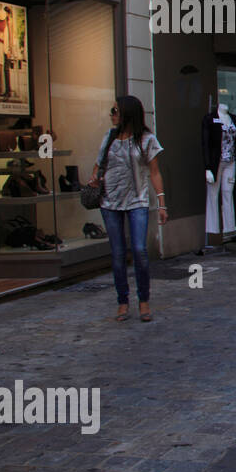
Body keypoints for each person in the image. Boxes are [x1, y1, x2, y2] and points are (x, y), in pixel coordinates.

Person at [89, 96, 167, 322]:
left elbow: (155, 173)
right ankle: (122, 302)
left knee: (140, 251)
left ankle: (144, 300)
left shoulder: (146, 139)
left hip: (137, 201)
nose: (111, 114)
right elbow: (98, 164)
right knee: (117, 254)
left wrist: (162, 203)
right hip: (110, 202)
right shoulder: (109, 137)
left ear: (127, 113)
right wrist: (94, 178)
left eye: (115, 110)